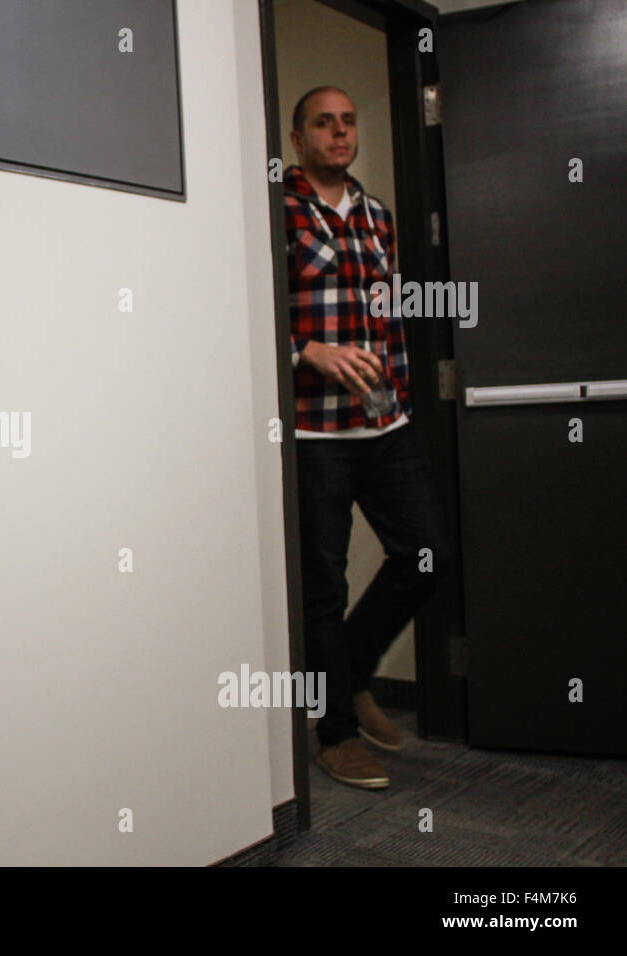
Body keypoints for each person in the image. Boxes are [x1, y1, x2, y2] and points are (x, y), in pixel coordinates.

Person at [284, 86, 450, 789]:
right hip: (313, 430)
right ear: (300, 139)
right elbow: (242, 301)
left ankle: (351, 675)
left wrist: (400, 397)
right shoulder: (278, 209)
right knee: (323, 585)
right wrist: (305, 351)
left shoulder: (377, 215)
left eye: (349, 122)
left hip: (386, 423)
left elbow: (389, 320)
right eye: (325, 123)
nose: (340, 133)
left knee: (426, 556)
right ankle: (335, 734)